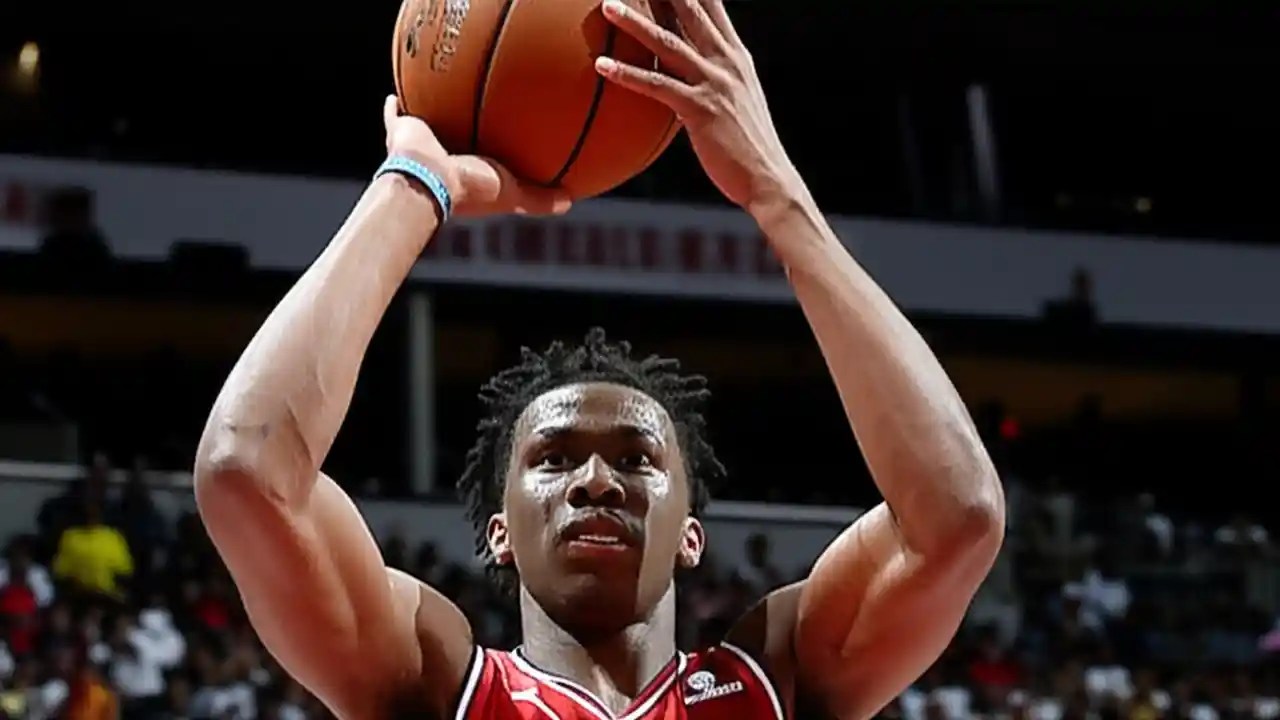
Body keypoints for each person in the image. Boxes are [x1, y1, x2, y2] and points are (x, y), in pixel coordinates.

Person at [193, 1, 1006, 718]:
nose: (595, 480)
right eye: (551, 459)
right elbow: (246, 471)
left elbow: (958, 517)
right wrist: (413, 184)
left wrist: (776, 195)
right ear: (499, 532)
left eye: (636, 457)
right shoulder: (438, 689)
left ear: (692, 534)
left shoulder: (769, 689)